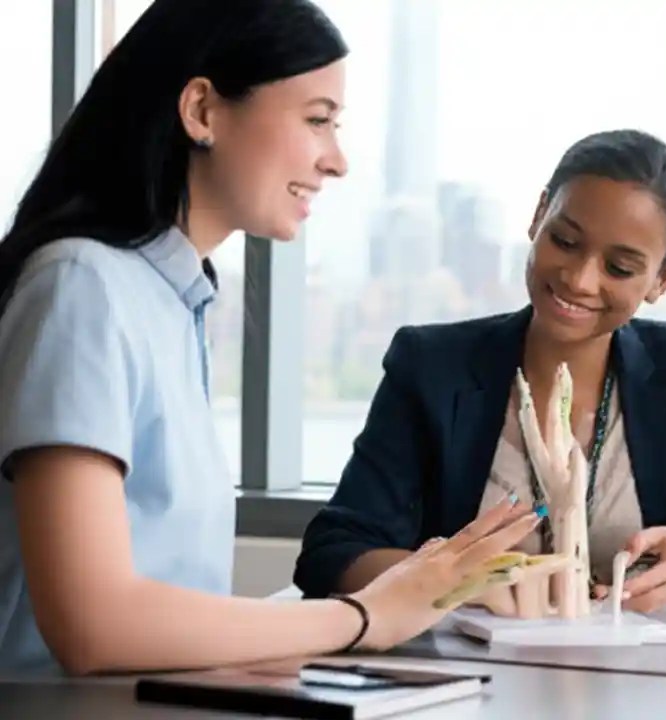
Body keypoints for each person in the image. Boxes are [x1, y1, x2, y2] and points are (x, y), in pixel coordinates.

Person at [0, 0, 539, 676]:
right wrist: (365, 616)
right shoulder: (82, 286)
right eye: (317, 120)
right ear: (201, 111)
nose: (336, 160)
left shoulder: (169, 301)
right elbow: (93, 624)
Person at [295, 129, 666, 616]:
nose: (579, 279)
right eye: (565, 240)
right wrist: (462, 580)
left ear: (663, 280)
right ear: (539, 217)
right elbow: (330, 554)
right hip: (467, 687)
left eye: (620, 269)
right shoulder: (433, 366)